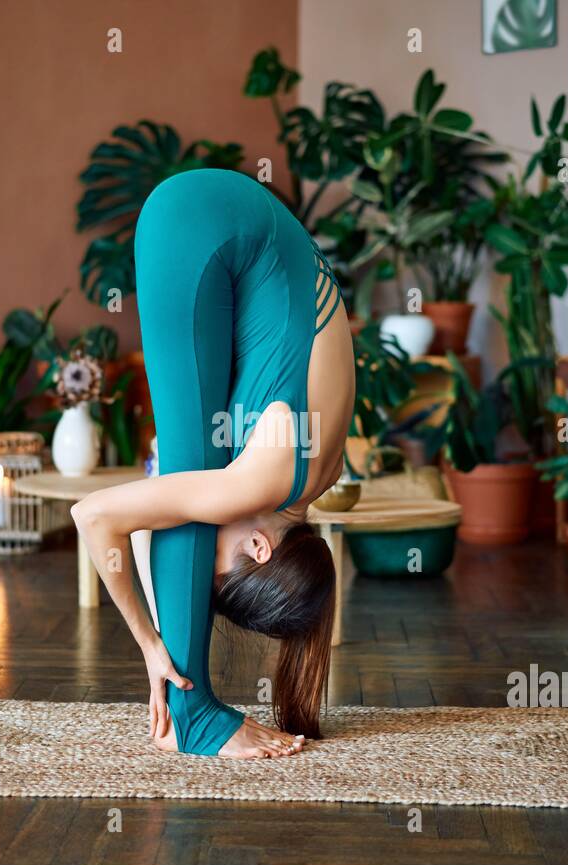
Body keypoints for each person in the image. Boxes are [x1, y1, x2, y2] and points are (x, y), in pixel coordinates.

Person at [71, 168, 355, 759]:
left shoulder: (317, 477)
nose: (202, 567)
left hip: (235, 222)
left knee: (187, 490)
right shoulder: (263, 480)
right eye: (214, 571)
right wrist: (152, 646)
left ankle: (193, 707)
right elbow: (94, 516)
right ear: (259, 549)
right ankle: (194, 716)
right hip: (199, 224)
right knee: (187, 474)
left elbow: (156, 528)